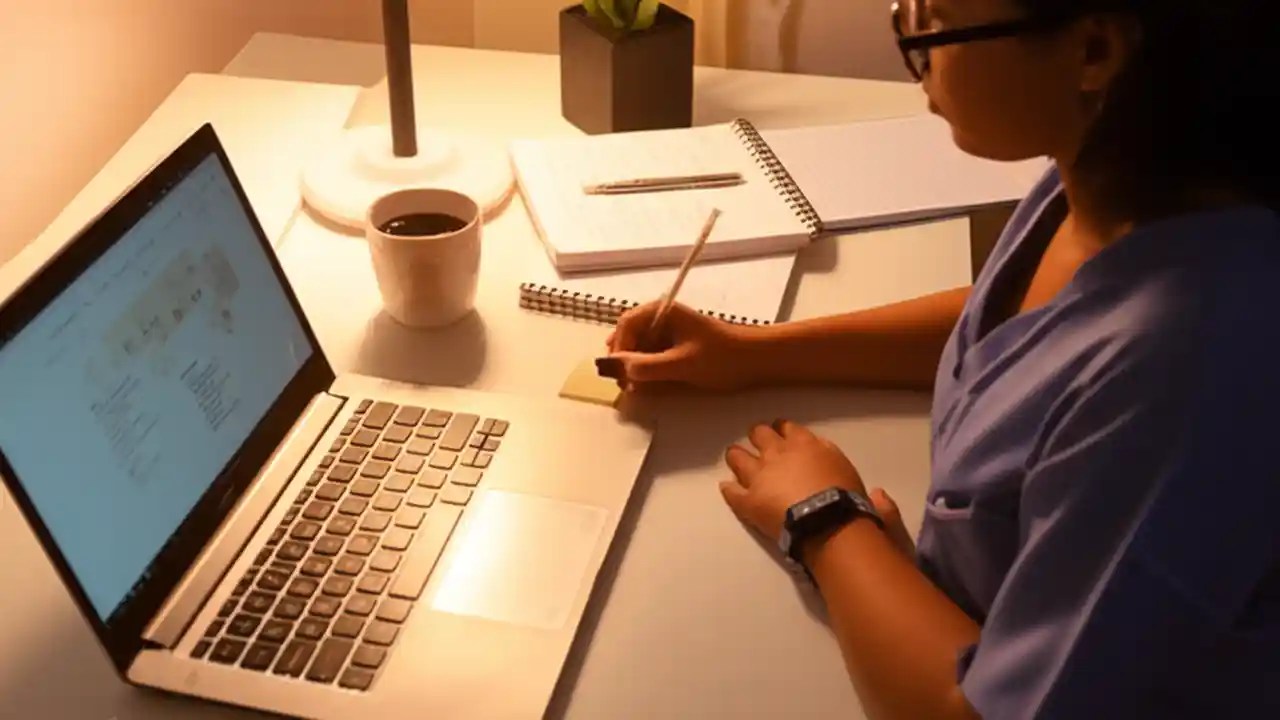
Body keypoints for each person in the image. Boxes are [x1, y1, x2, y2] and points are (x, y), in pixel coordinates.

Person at [604, 0, 1280, 717]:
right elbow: (1033, 325)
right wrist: (753, 353)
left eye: (935, 12)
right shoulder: (1116, 178)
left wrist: (826, 520)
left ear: (1092, 52)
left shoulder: (1185, 365)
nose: (912, 33)